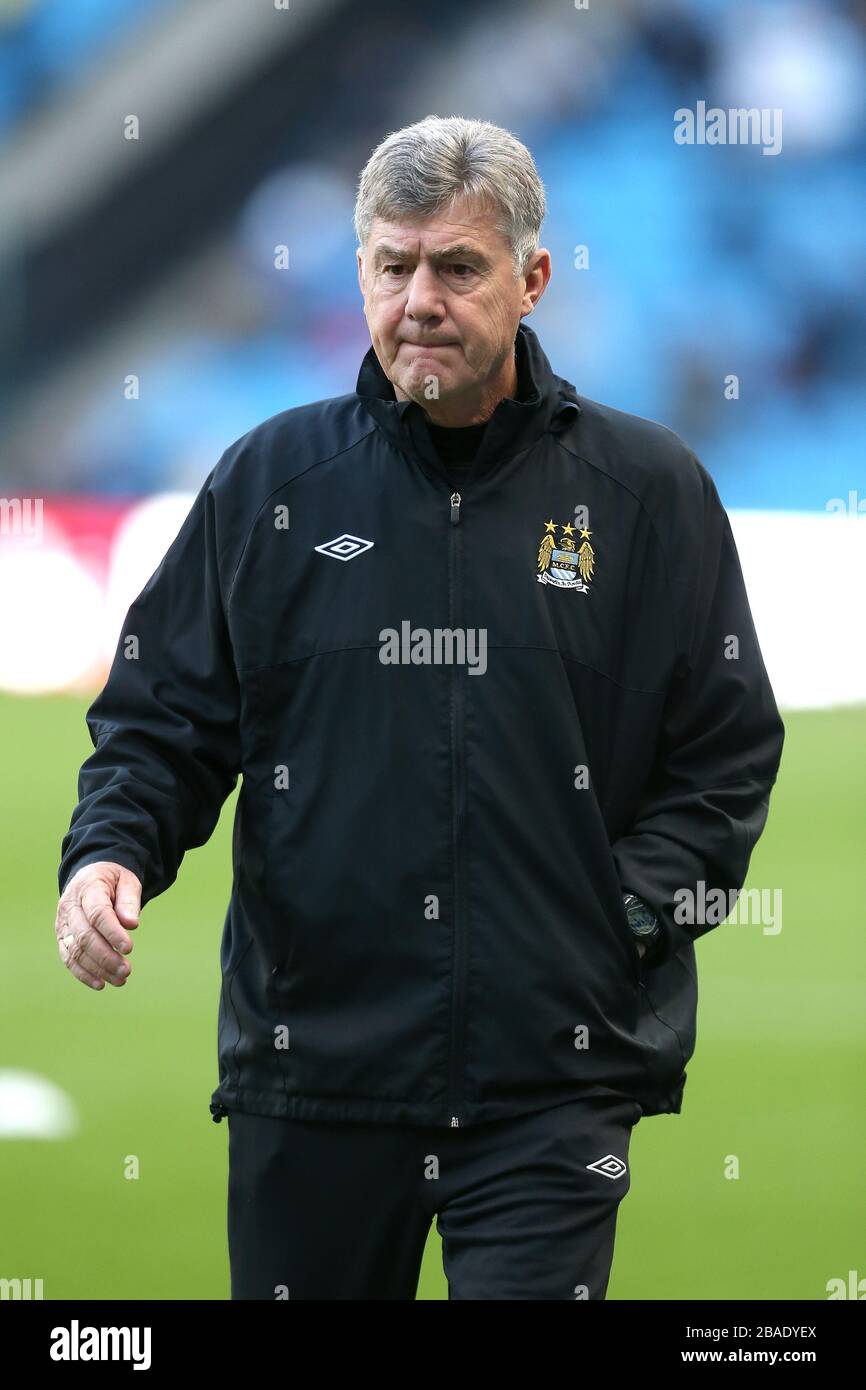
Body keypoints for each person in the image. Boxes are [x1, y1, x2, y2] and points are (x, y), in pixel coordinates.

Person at [56, 115, 785, 1300]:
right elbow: (161, 718)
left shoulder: (644, 492)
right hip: (317, 1070)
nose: (420, 300)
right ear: (359, 274)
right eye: (393, 267)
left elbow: (723, 752)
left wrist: (619, 926)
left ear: (532, 279)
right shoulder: (269, 484)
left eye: (458, 267)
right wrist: (109, 853)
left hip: (551, 1080)